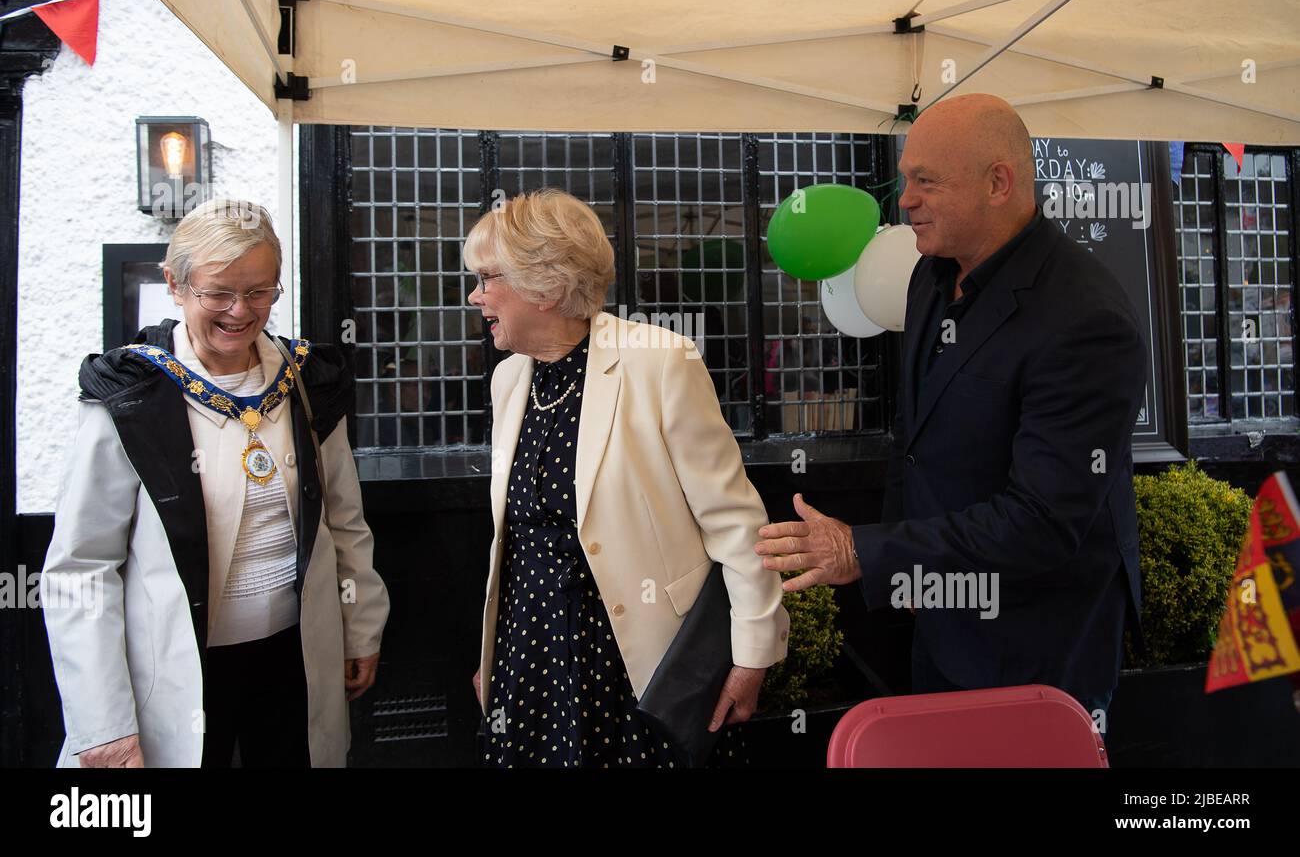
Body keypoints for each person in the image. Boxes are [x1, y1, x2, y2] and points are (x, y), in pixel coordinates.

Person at [756, 94, 1146, 719]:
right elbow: (914, 440)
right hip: (939, 616)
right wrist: (908, 573)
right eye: (906, 179)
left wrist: (867, 551)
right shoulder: (931, 275)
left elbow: (1044, 520)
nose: (904, 199)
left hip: (1035, 643)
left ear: (998, 183)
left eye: (926, 181)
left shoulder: (1086, 318)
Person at [43, 198, 390, 767]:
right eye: (218, 293)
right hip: (178, 670)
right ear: (175, 286)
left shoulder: (307, 382)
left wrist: (359, 629)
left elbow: (342, 520)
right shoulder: (130, 396)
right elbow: (82, 568)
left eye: (260, 292)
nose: (240, 310)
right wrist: (103, 723)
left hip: (293, 656)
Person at [466, 189, 788, 767]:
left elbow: (735, 522)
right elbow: (515, 544)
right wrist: (497, 654)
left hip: (636, 664)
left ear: (546, 283)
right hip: (532, 653)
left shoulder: (660, 362)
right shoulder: (510, 379)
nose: (475, 295)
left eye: (488, 279)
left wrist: (752, 655)